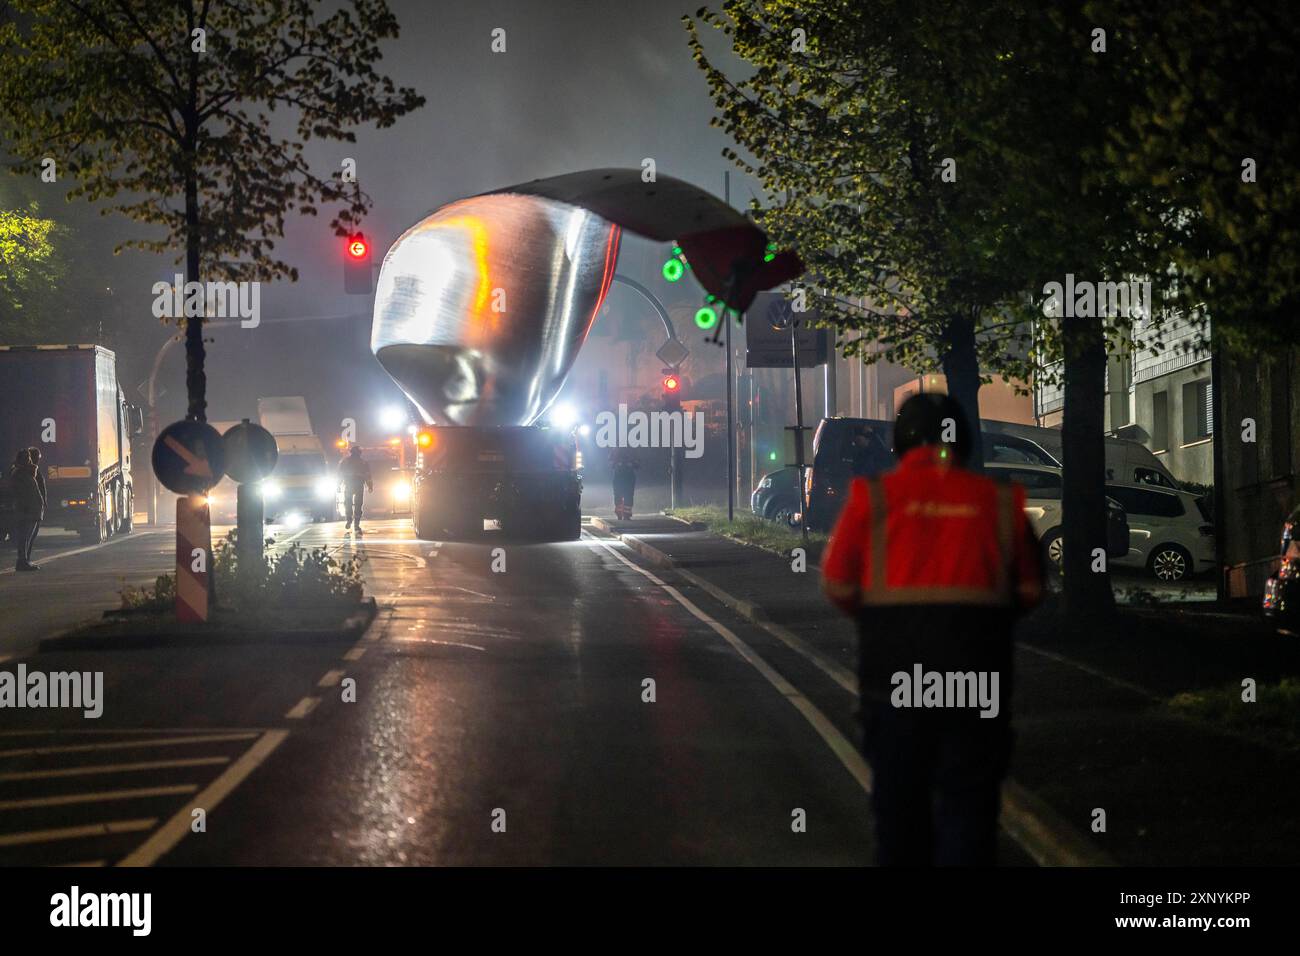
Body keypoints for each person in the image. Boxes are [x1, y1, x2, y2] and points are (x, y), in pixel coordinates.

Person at [821, 393, 1044, 866]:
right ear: (963, 440)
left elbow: (838, 583)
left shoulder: (872, 498)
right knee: (969, 811)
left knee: (899, 816)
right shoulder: (1001, 502)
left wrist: (879, 615)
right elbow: (1030, 590)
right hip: (977, 682)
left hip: (894, 681)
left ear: (900, 443)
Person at [8, 448, 44, 571]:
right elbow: (21, 493)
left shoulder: (26, 472)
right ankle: (22, 561)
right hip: (26, 510)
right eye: (27, 457)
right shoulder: (20, 473)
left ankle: (25, 560)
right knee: (24, 537)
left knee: (27, 537)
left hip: (31, 510)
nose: (29, 459)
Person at [337, 445, 373, 534]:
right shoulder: (363, 463)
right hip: (358, 485)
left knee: (348, 503)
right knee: (357, 505)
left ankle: (349, 520)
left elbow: (340, 475)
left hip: (350, 485)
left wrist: (338, 485)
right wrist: (370, 486)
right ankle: (356, 524)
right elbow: (368, 476)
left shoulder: (345, 462)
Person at [611, 448, 637, 521]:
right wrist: (617, 463)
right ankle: (620, 514)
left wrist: (631, 464)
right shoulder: (616, 450)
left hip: (628, 477)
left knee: (628, 496)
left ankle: (626, 515)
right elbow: (611, 462)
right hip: (620, 477)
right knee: (618, 495)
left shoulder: (632, 450)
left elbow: (637, 463)